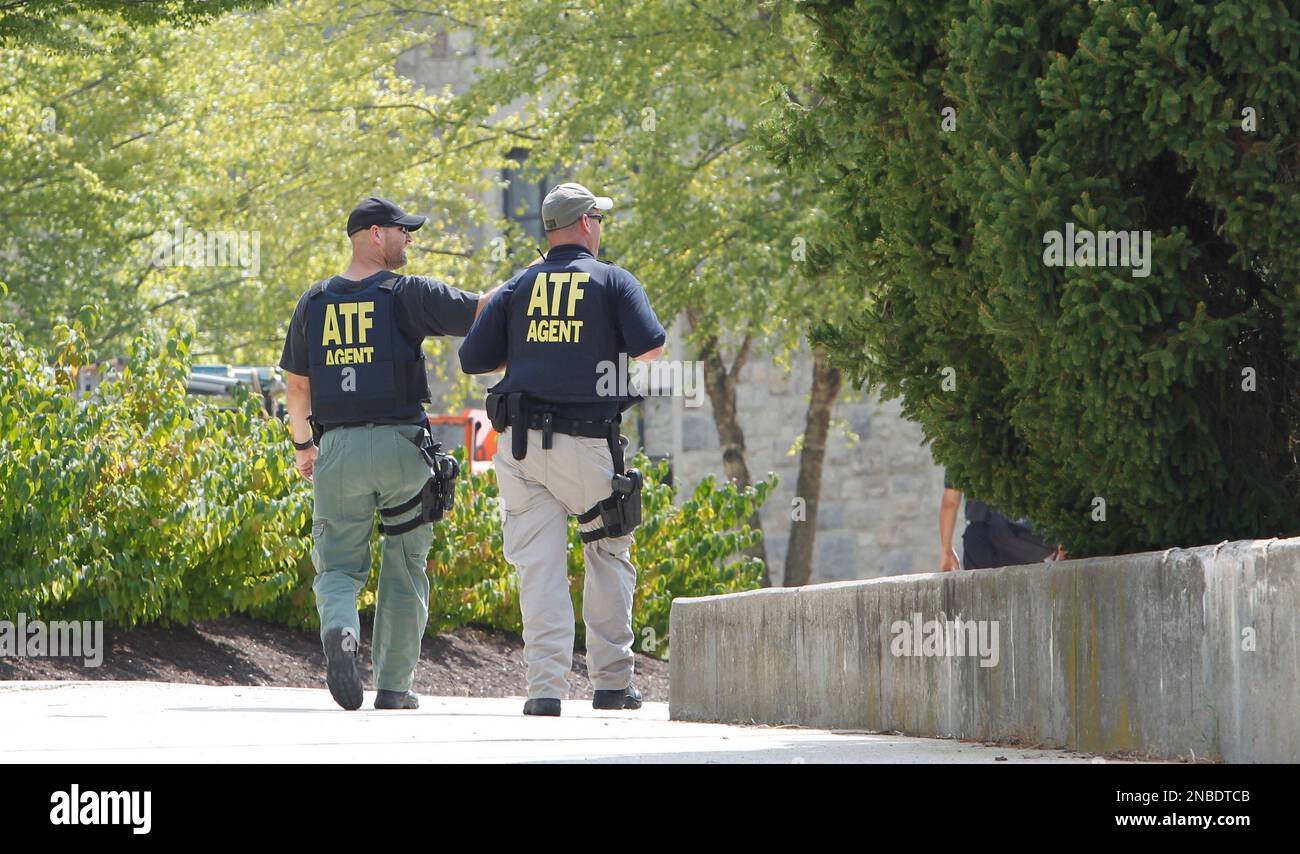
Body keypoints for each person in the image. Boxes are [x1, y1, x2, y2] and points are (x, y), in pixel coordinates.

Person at [280, 196, 501, 711]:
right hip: (402, 448)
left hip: (336, 450)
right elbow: (482, 311)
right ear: (375, 235)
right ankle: (395, 687)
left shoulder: (313, 302)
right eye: (404, 230)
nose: (410, 239)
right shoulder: (408, 294)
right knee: (404, 565)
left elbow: (296, 387)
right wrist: (533, 275)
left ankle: (339, 628)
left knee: (336, 564)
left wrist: (303, 447)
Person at [459, 182, 666, 717]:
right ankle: (612, 685)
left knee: (539, 568)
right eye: (599, 218)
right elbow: (651, 347)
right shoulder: (613, 280)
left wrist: (536, 351)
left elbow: (473, 359)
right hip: (587, 446)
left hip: (519, 449)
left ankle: (544, 691)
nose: (601, 227)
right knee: (607, 552)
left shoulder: (518, 285)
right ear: (585, 223)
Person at [939, 473, 1063, 571]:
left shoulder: (959, 444)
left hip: (981, 540)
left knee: (980, 598)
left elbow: (950, 502)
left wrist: (947, 550)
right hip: (1027, 540)